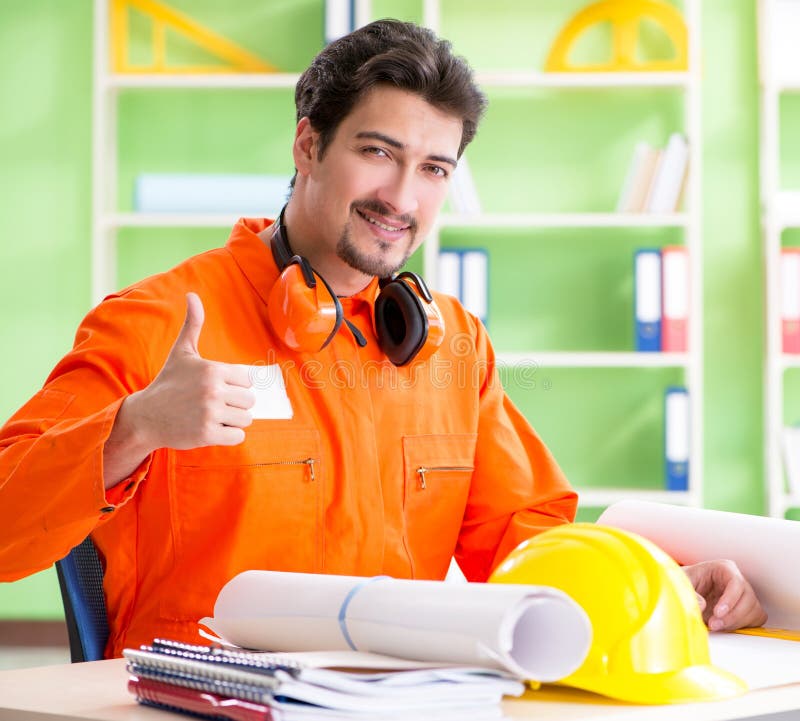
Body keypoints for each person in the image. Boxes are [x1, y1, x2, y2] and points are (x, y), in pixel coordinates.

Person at [0, 19, 765, 658]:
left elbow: (530, 540)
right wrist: (134, 427)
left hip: (404, 697)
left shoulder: (453, 347)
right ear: (308, 146)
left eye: (434, 167)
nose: (403, 197)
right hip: (202, 702)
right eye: (379, 153)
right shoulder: (162, 323)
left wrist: (666, 582)